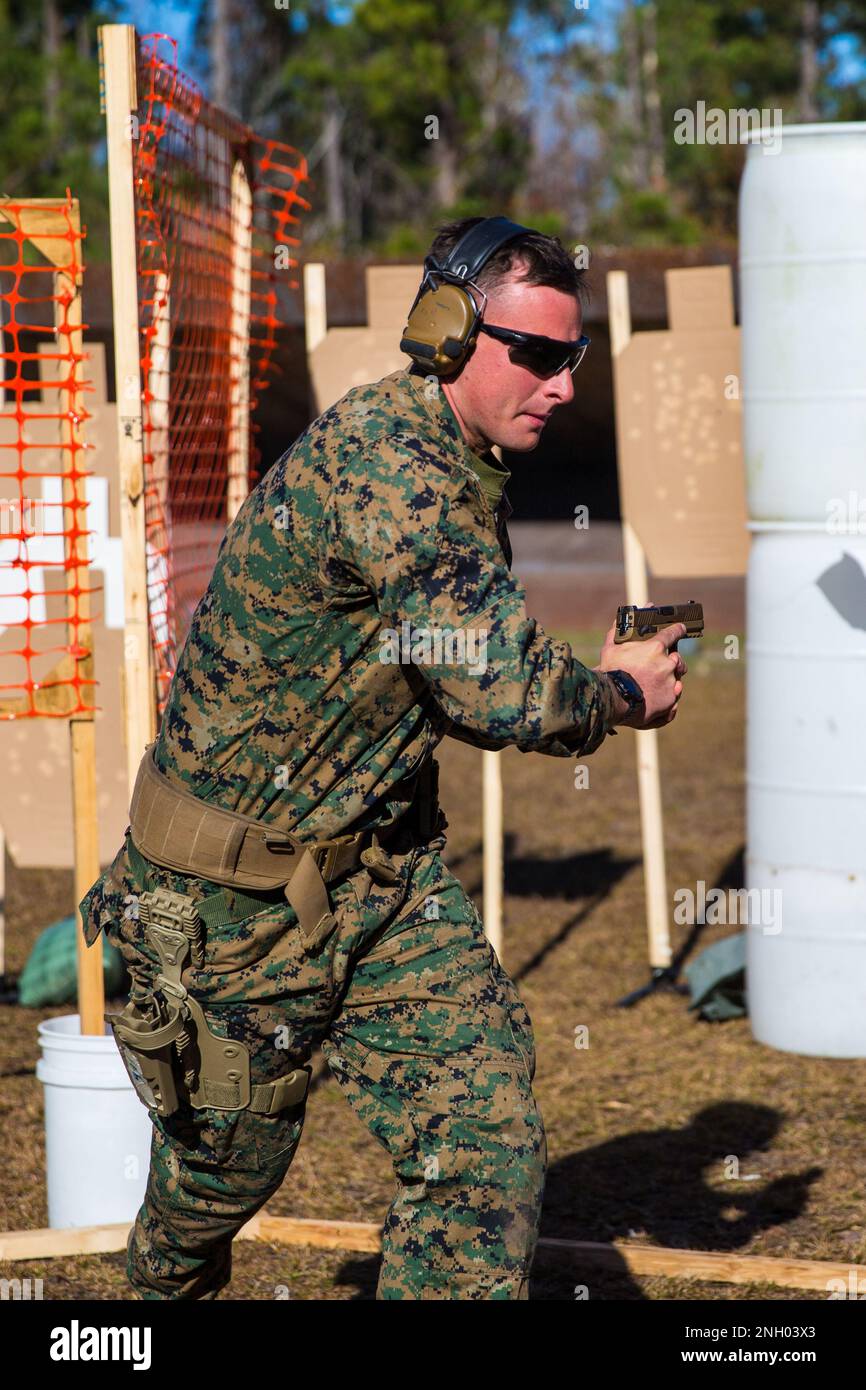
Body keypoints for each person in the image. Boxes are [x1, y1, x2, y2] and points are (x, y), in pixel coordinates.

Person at [80, 215, 687, 1300]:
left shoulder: (456, 462)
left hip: (379, 878)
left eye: (571, 358)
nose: (559, 384)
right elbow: (493, 689)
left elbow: (452, 659)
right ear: (448, 332)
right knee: (223, 1173)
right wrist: (619, 696)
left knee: (482, 1130)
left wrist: (585, 682)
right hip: (231, 901)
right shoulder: (392, 468)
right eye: (534, 356)